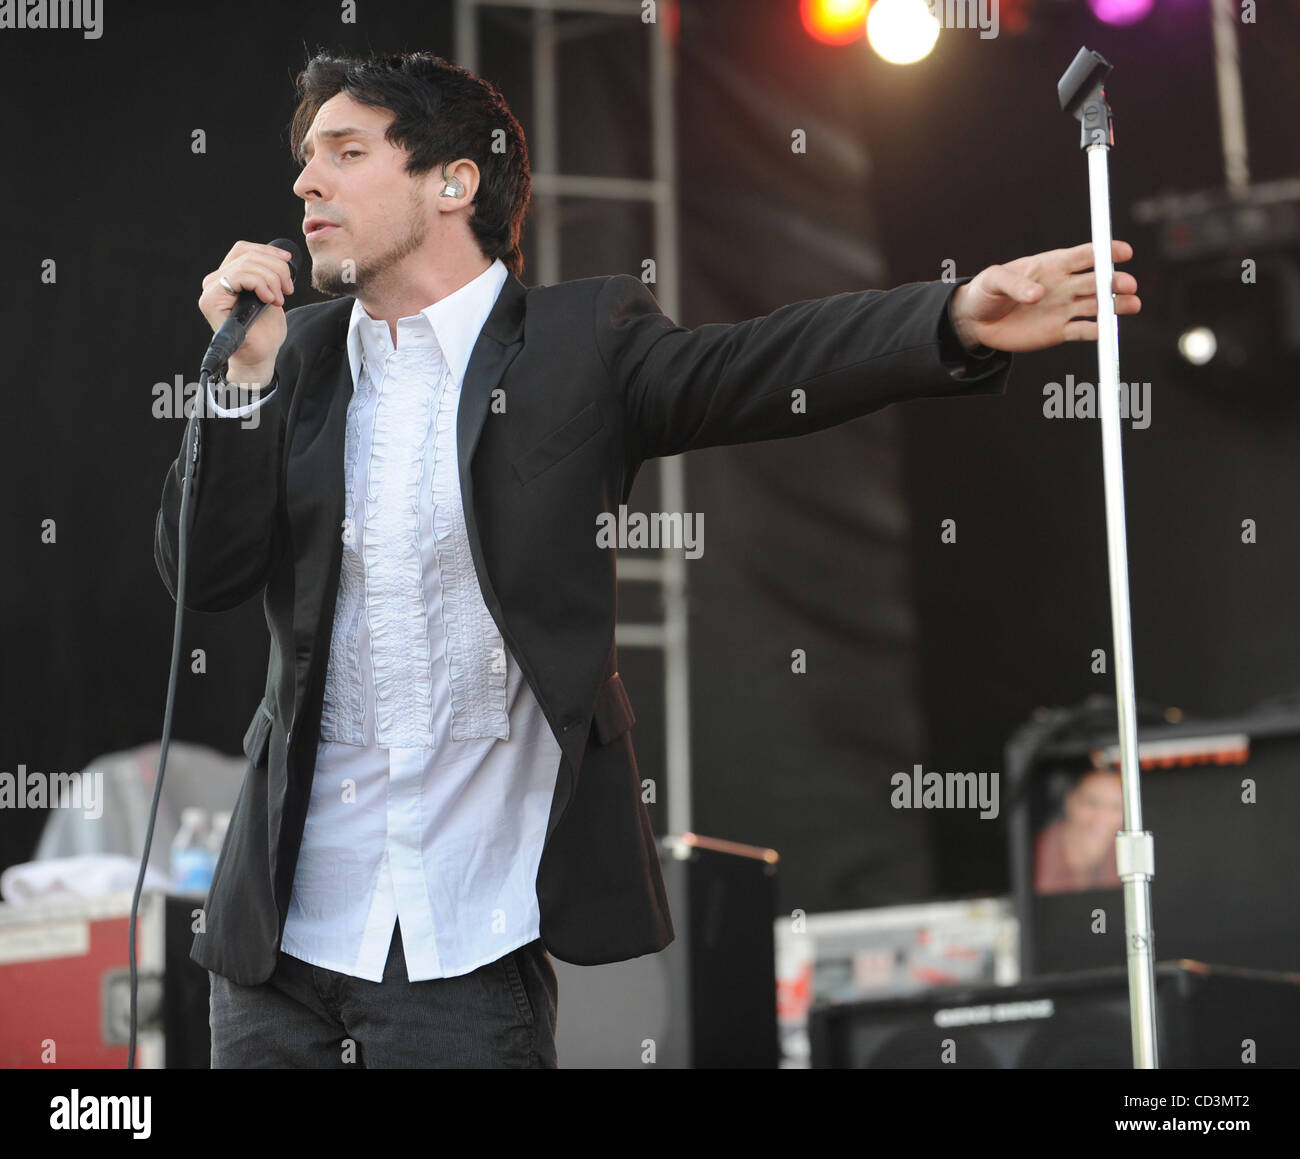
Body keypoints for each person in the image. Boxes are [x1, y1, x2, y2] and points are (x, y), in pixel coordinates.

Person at [154, 50, 1140, 1068]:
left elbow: (760, 365)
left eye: (346, 152)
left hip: (465, 936)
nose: (305, 182)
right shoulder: (292, 356)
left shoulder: (579, 344)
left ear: (453, 180)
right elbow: (203, 574)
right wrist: (242, 387)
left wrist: (947, 316)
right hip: (279, 938)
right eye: (306, 156)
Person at [1034, 764, 1125, 893]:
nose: (1102, 818)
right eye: (1092, 803)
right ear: (1070, 801)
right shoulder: (1033, 854)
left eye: (1115, 807)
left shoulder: (1125, 858)